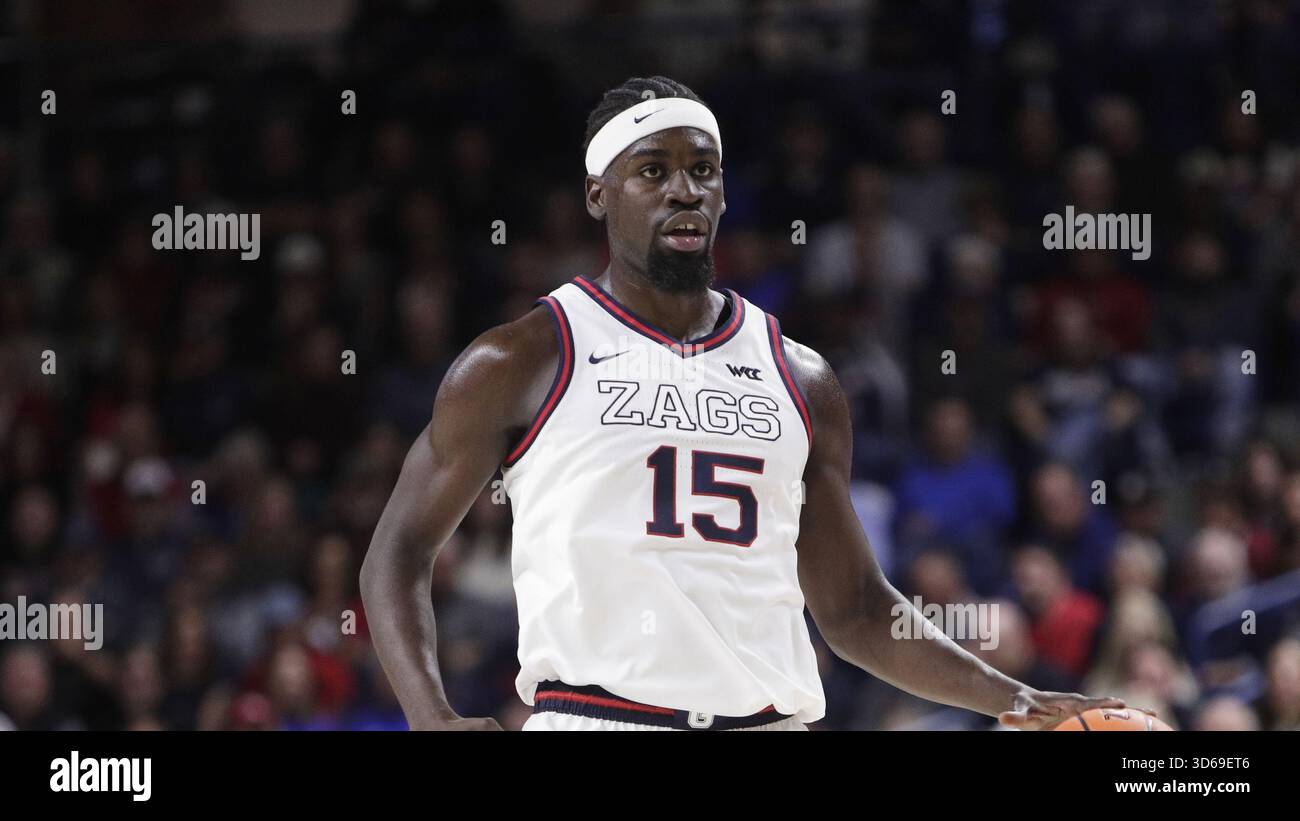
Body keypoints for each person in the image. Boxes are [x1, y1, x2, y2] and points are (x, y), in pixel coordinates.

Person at [360, 76, 1133, 731]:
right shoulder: (523, 356)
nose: (684, 190)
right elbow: (396, 554)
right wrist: (434, 718)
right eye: (652, 171)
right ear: (598, 193)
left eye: (703, 168)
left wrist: (1021, 700)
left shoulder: (802, 376)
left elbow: (859, 609)